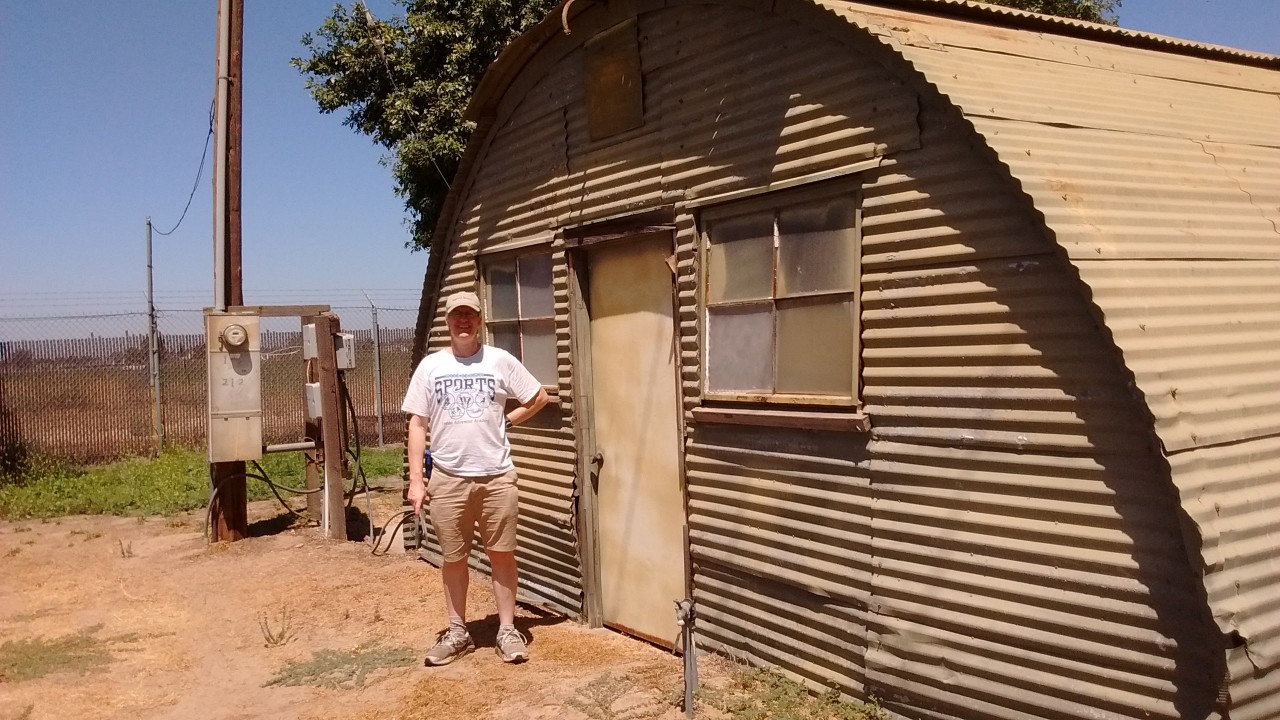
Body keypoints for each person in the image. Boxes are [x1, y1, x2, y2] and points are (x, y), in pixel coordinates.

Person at [402, 291, 550, 666]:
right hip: (449, 478)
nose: (463, 322)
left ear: (479, 320)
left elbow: (539, 397)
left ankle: (506, 630)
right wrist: (417, 481)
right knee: (453, 558)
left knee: (502, 554)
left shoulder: (500, 361)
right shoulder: (431, 367)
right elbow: (417, 424)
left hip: (497, 477)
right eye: (457, 316)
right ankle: (457, 632)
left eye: (470, 315)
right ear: (448, 323)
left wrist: (510, 419)